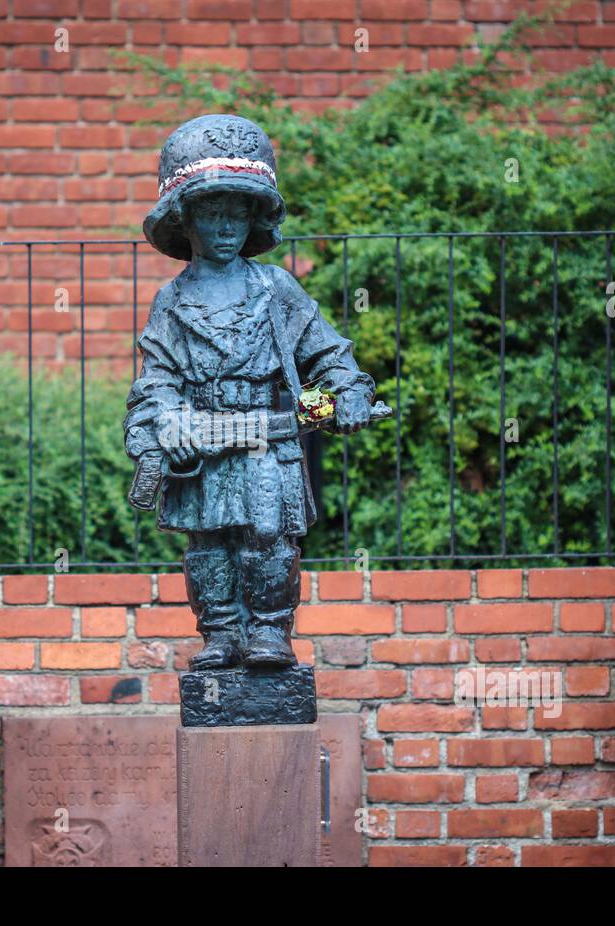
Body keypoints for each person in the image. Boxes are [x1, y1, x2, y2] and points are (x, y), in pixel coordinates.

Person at [125, 114, 377, 670]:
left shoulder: (276, 288)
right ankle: (220, 633)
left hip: (267, 440)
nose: (225, 227)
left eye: (237, 214)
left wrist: (348, 390)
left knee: (270, 538)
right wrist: (169, 421)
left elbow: (329, 353)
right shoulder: (171, 301)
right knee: (208, 545)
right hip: (203, 443)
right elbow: (155, 382)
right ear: (185, 218)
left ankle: (268, 632)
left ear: (253, 219)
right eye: (212, 213)